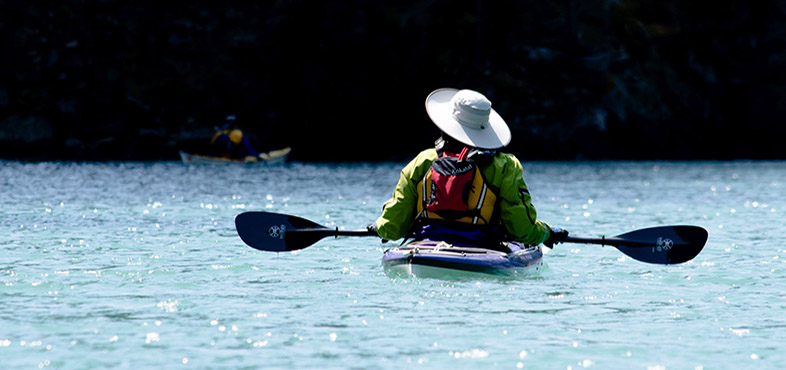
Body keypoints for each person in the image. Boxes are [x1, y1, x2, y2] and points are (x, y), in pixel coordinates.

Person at [372, 88, 568, 250]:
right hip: (483, 247)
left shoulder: (423, 161)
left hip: (426, 245)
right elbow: (522, 229)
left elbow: (392, 227)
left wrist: (380, 227)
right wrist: (546, 232)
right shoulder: (505, 166)